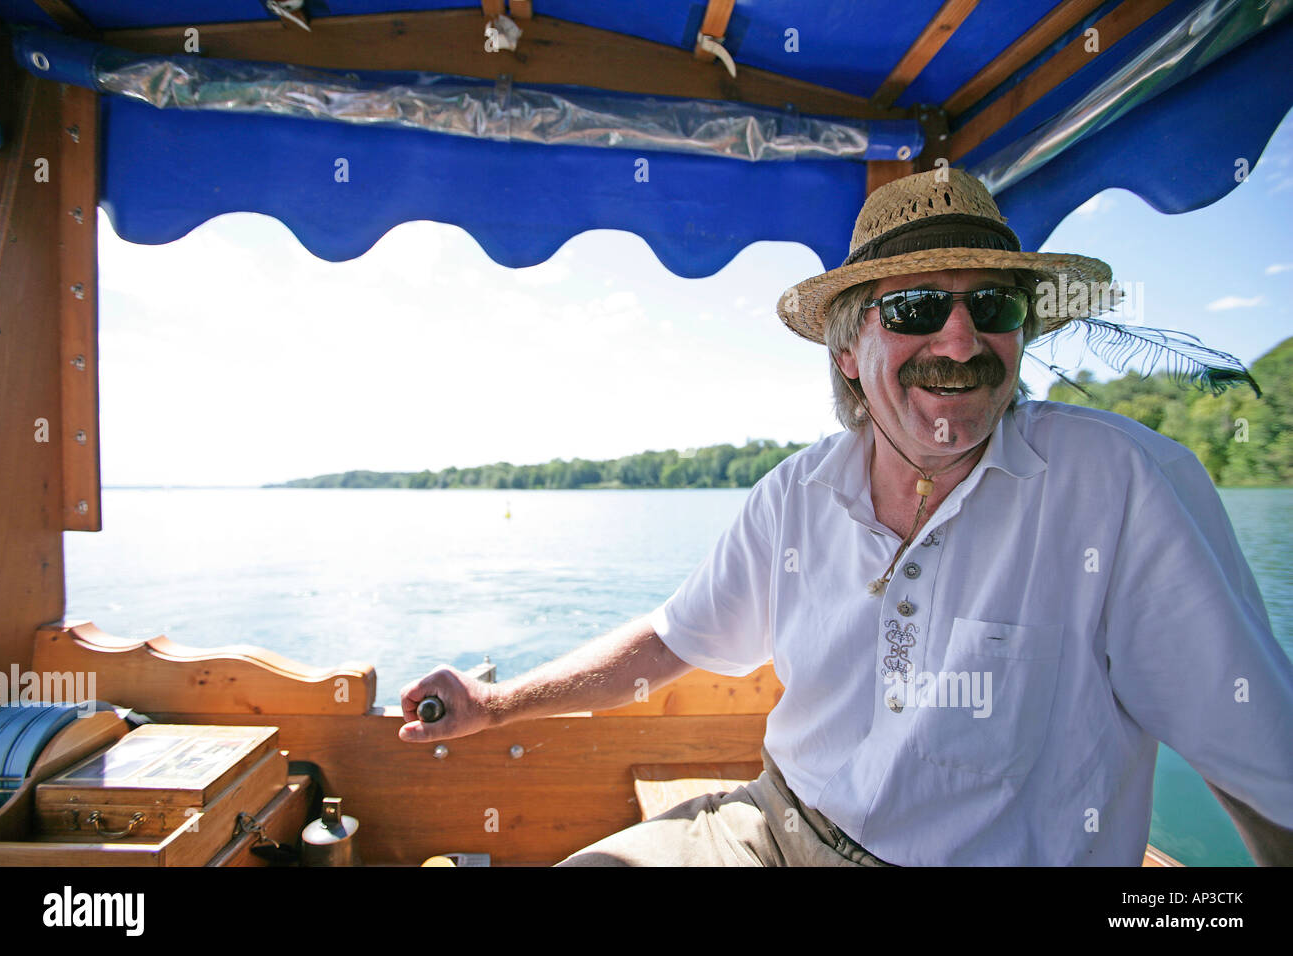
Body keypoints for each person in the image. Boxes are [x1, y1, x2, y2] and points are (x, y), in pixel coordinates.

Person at [399, 168, 1293, 866]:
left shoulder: (1120, 485)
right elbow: (672, 642)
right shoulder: (796, 495)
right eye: (916, 307)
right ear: (849, 352)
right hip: (775, 826)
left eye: (992, 305)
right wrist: (496, 703)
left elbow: (1255, 756)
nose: (959, 338)